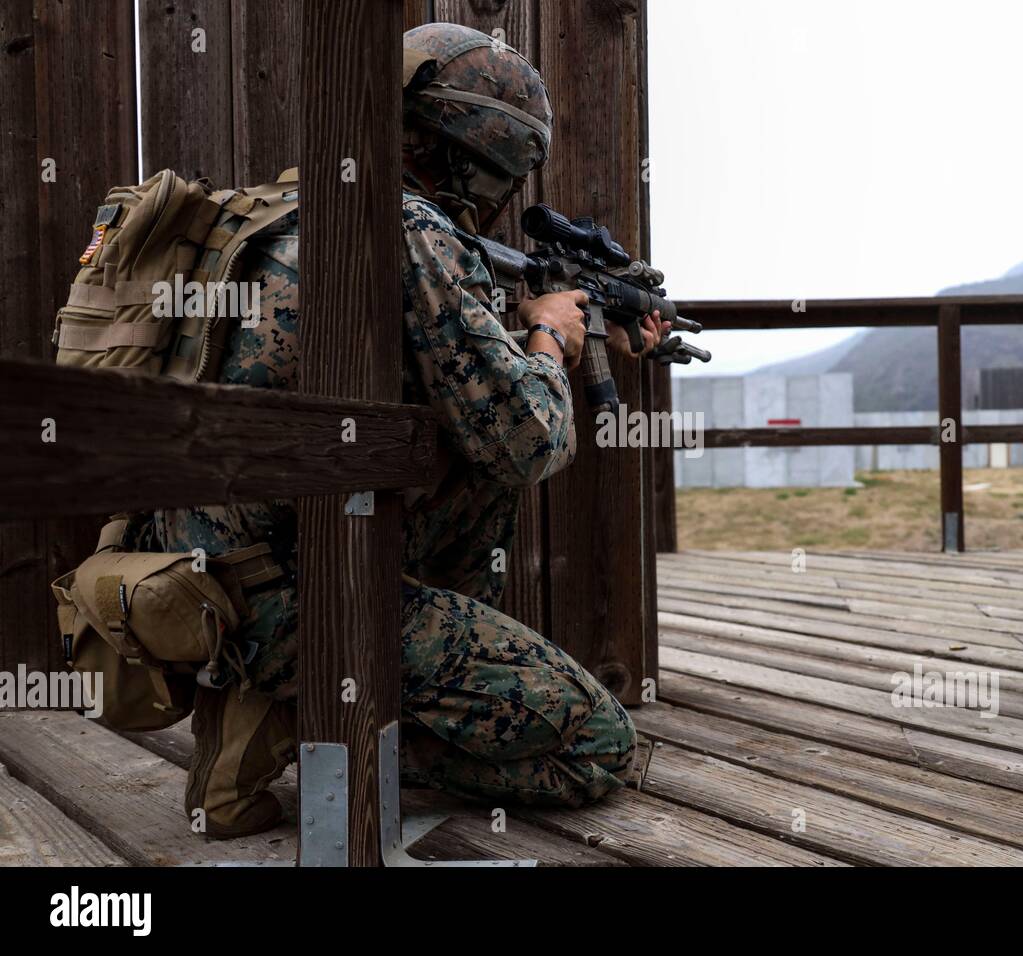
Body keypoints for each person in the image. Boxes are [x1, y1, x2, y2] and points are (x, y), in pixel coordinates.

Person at [116, 22, 666, 839]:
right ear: (481, 151)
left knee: (457, 460)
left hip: (207, 575)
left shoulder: (288, 211)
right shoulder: (413, 230)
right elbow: (529, 440)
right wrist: (551, 335)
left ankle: (278, 704)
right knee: (598, 746)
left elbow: (455, 386)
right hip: (309, 599)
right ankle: (333, 721)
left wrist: (561, 329)